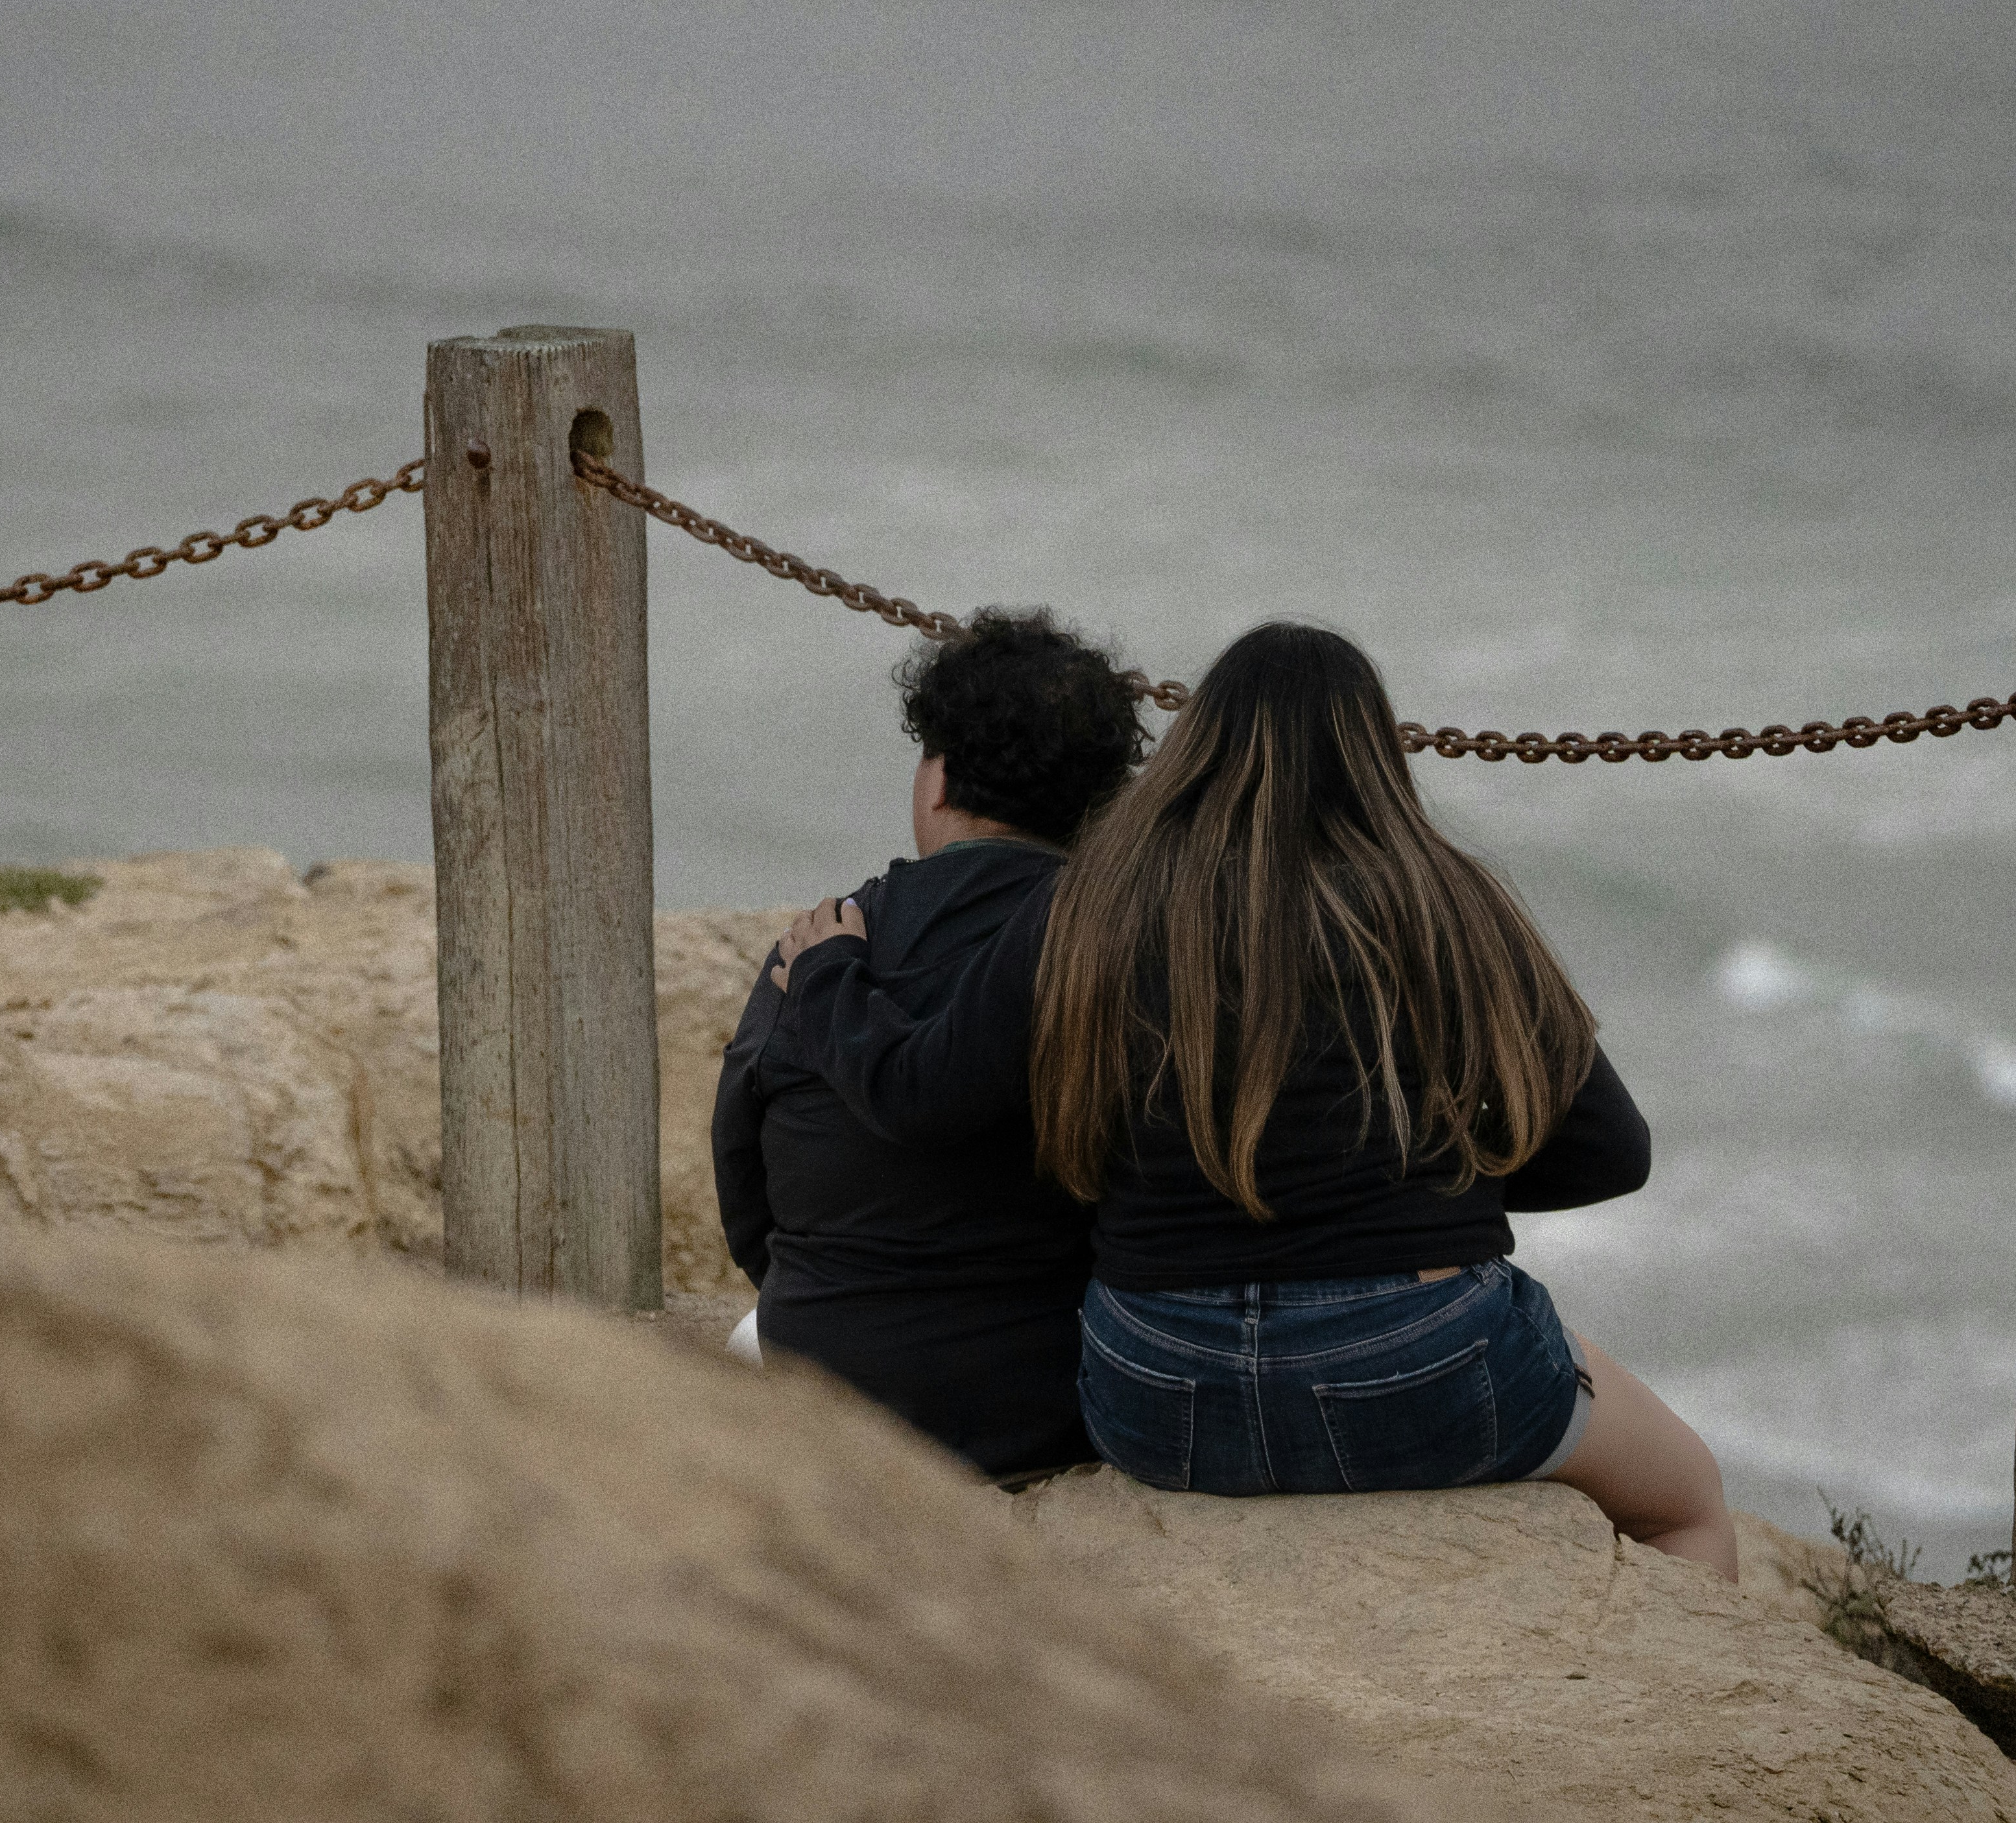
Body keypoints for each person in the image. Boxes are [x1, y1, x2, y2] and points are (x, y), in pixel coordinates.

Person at [772, 621, 1737, 1577]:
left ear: (1199, 745)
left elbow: (919, 1094)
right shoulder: (1451, 898)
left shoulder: (1094, 898)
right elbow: (1614, 1151)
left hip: (1159, 1391)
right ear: (1375, 753)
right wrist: (1412, 1187)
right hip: (1423, 1368)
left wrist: (830, 969)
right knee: (1688, 1502)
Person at [713, 606, 1146, 1480]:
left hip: (828, 1387)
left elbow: (745, 1185)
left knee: (739, 1343)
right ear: (1104, 807)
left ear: (938, 781)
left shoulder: (825, 938)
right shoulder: (1125, 946)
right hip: (1046, 1410)